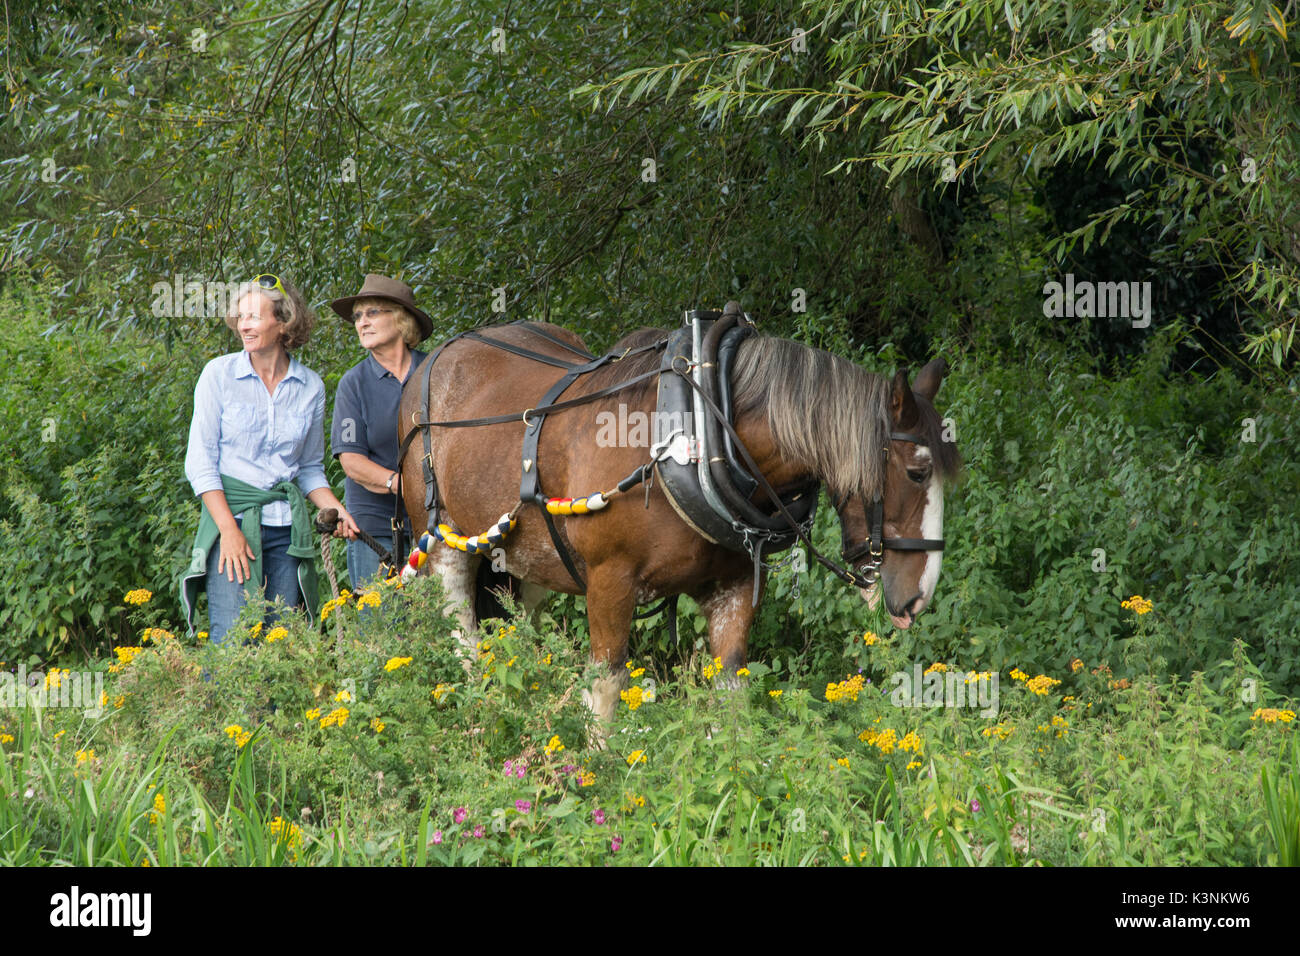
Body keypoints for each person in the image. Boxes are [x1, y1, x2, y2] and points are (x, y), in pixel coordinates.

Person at [180, 274, 358, 644]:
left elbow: (308, 468)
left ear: (283, 322)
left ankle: (280, 707)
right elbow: (200, 464)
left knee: (283, 639)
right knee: (234, 637)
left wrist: (336, 508)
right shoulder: (219, 375)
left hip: (286, 530)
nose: (244, 325)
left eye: (255, 317)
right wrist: (228, 531)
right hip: (236, 521)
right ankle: (228, 705)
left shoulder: (310, 386)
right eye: (240, 317)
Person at [328, 275, 432, 591]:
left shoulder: (434, 372)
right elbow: (352, 463)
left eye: (372, 313)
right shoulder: (354, 383)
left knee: (435, 622)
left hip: (434, 522)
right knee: (378, 629)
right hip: (375, 526)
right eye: (358, 316)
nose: (362, 323)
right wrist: (399, 484)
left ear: (401, 320)